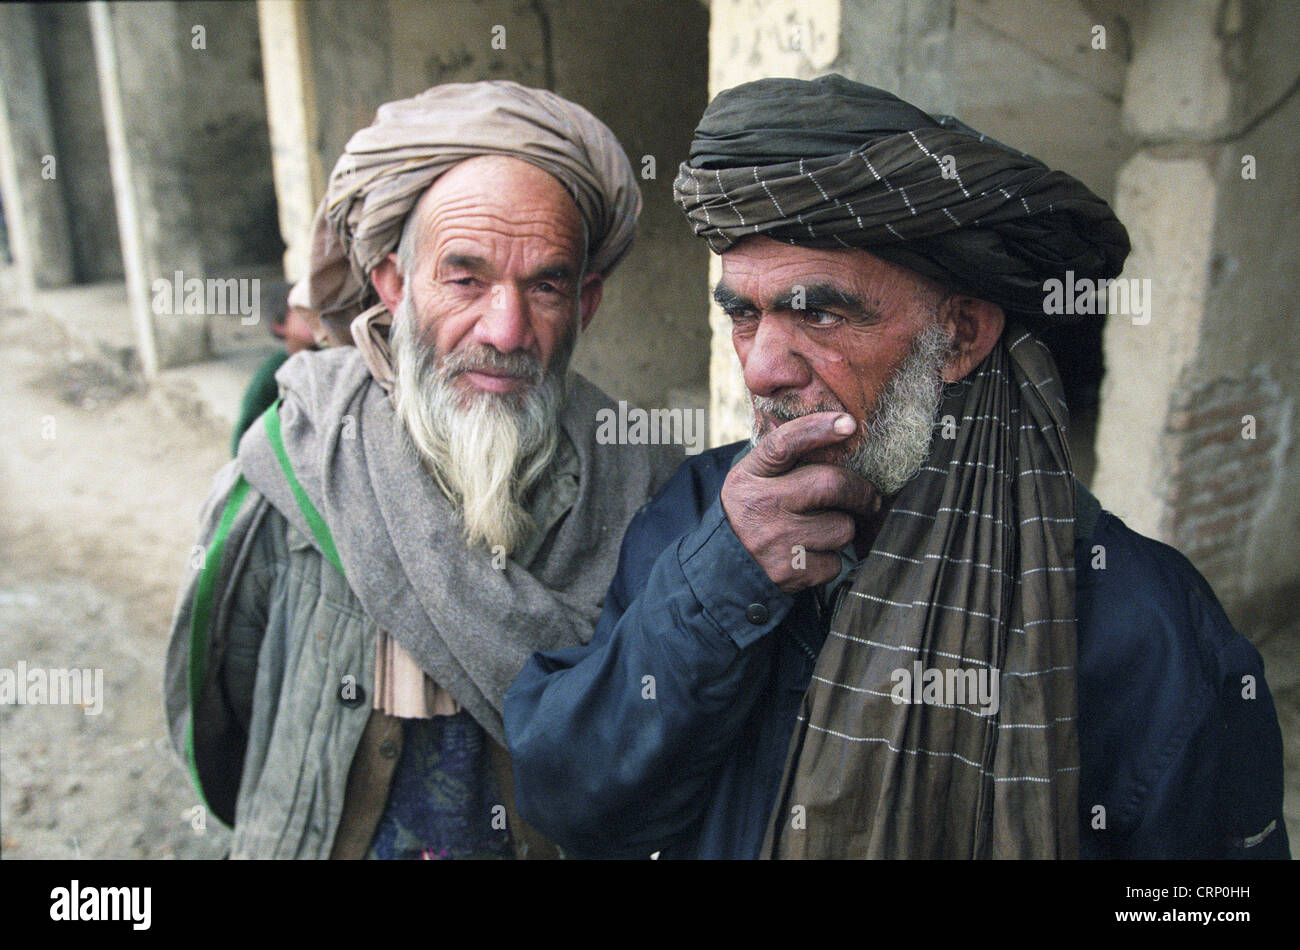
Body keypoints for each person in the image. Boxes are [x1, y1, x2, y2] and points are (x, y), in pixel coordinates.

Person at [504, 75, 1290, 860]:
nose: (763, 369)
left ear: (961, 333)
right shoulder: (698, 514)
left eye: (819, 312)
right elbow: (568, 799)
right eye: (745, 315)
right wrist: (720, 585)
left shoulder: (1146, 627)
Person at [164, 80, 678, 859]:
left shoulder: (645, 485)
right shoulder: (302, 452)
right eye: (465, 278)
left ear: (587, 301)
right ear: (395, 285)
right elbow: (218, 699)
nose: (505, 331)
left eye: (545, 285)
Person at [229, 280, 320, 456]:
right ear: (279, 326)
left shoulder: (330, 357)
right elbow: (246, 427)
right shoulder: (273, 372)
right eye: (301, 312)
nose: (313, 317)